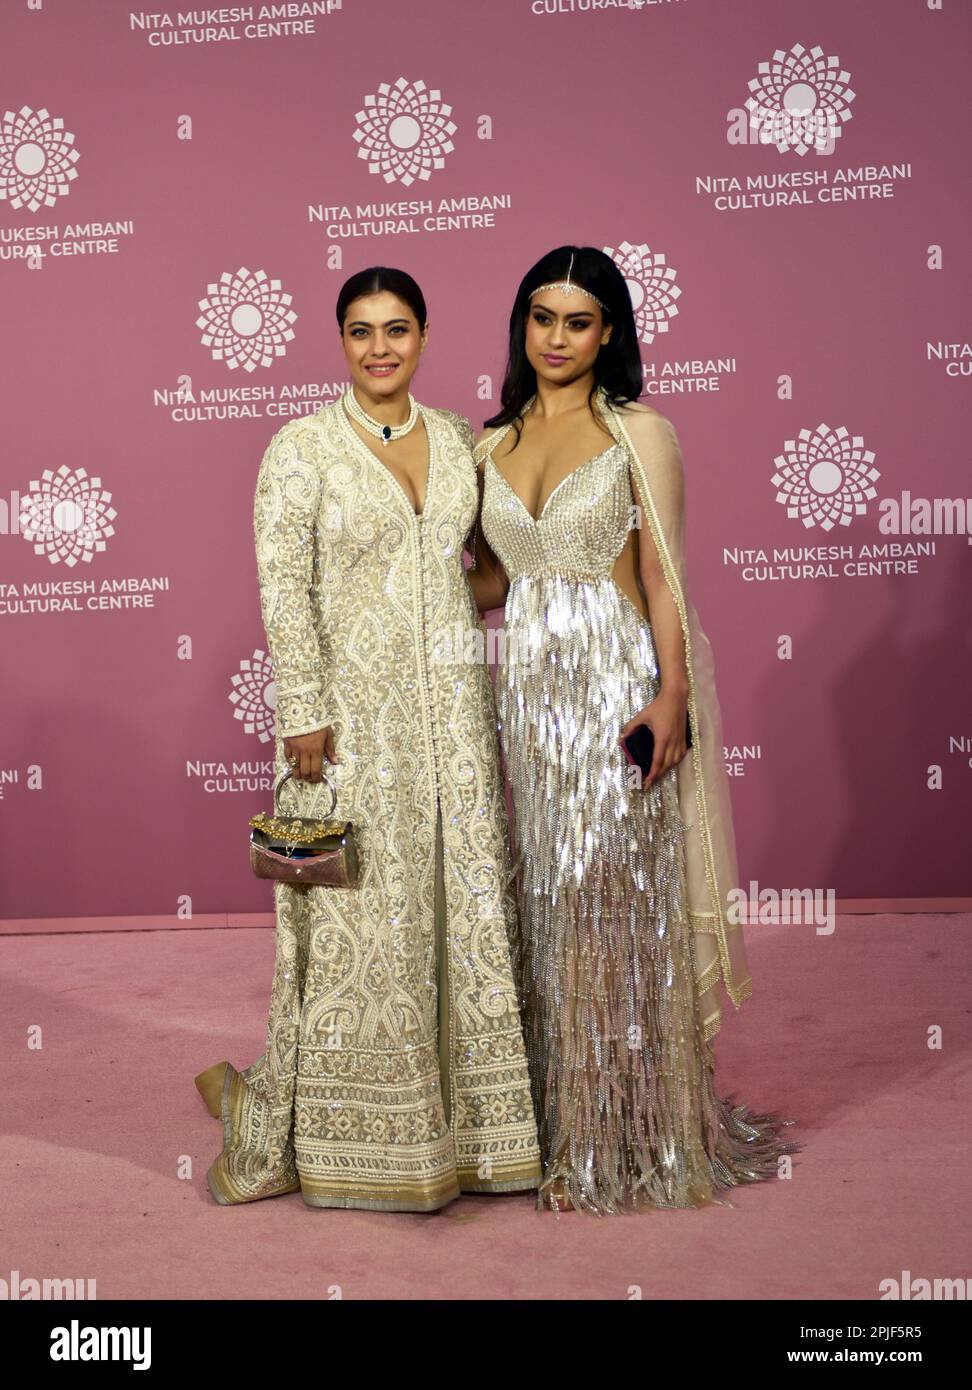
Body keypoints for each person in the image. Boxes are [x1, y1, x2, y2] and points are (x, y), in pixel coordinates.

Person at [195, 266, 541, 1210]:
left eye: (396, 329)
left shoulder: (462, 442)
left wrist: (476, 600)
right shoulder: (299, 449)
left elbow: (486, 574)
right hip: (346, 723)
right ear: (339, 341)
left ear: (425, 334)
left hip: (453, 716)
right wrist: (302, 705)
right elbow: (283, 585)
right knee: (360, 912)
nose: (379, 348)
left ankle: (477, 1135)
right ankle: (347, 1137)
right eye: (360, 331)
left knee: (459, 905)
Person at [467, 245, 798, 1214]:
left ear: (609, 331)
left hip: (614, 690)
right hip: (526, 700)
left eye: (578, 321)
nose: (558, 338)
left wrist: (673, 700)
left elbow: (664, 578)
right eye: (542, 318)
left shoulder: (640, 433)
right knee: (548, 908)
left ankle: (630, 1137)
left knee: (609, 904)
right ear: (522, 327)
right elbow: (494, 581)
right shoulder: (488, 442)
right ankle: (561, 1130)